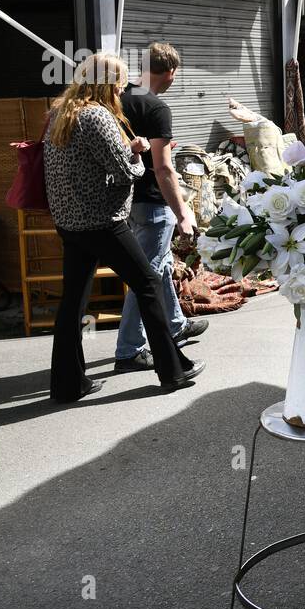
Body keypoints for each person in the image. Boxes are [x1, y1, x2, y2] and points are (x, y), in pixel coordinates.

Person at [43, 52, 204, 402]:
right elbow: (126, 172)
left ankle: (68, 384)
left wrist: (124, 152)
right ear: (108, 85)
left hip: (69, 222)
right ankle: (172, 370)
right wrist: (137, 152)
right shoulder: (97, 116)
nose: (120, 91)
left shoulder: (59, 113)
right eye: (118, 84)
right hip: (103, 221)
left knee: (72, 302)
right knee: (147, 283)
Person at [114, 43, 208, 372]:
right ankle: (130, 349)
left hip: (123, 200)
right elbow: (164, 169)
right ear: (170, 73)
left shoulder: (117, 98)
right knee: (148, 275)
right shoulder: (156, 107)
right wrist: (183, 212)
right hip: (153, 202)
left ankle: (176, 323)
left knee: (161, 264)